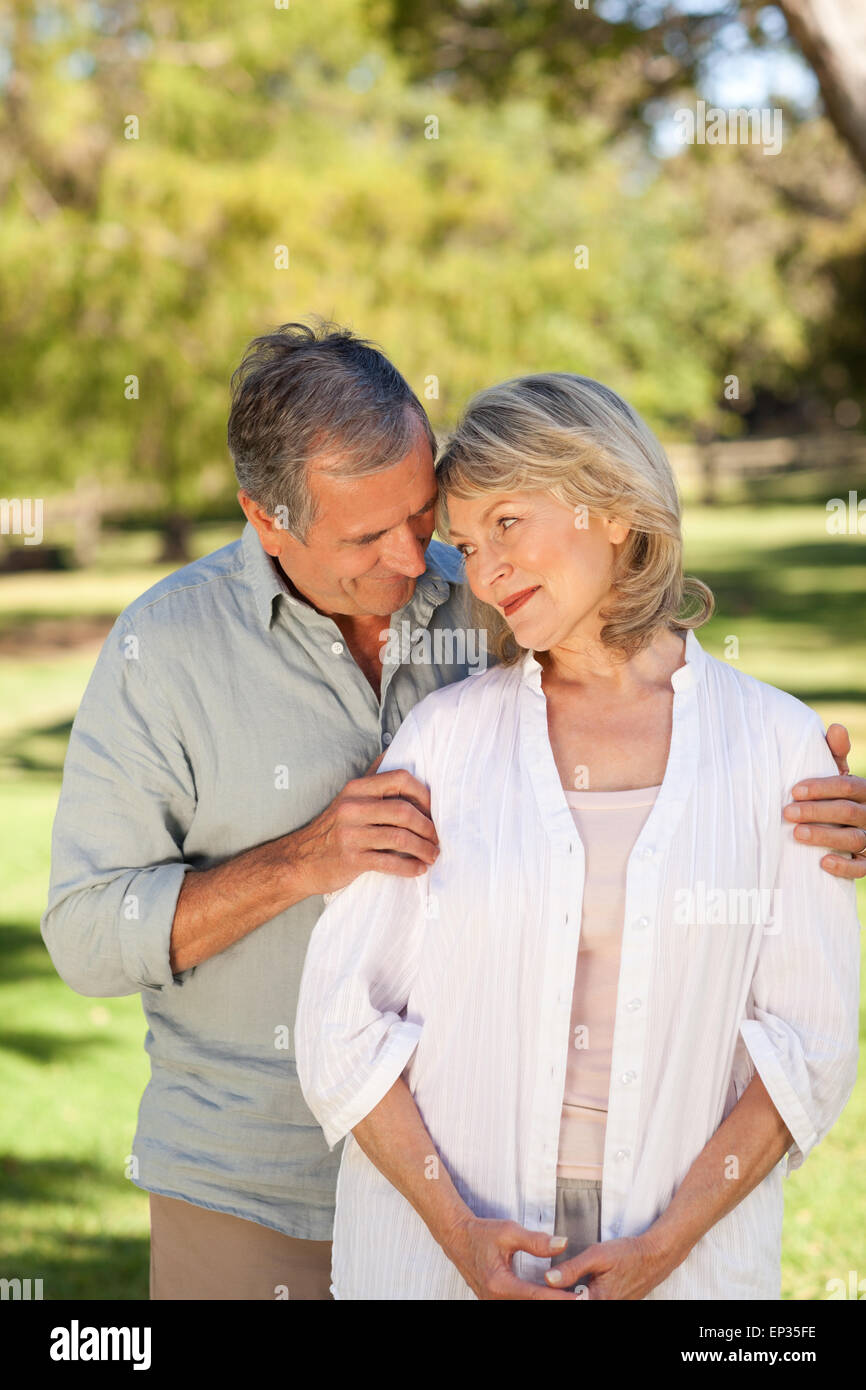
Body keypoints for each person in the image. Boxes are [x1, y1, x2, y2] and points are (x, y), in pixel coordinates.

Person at [295, 372, 862, 1301]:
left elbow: (810, 1045)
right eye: (468, 545)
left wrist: (667, 1245)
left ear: (610, 506)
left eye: (508, 525)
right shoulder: (445, 742)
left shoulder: (778, 747)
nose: (483, 571)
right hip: (441, 1257)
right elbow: (341, 1023)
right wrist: (460, 1233)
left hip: (691, 1267)